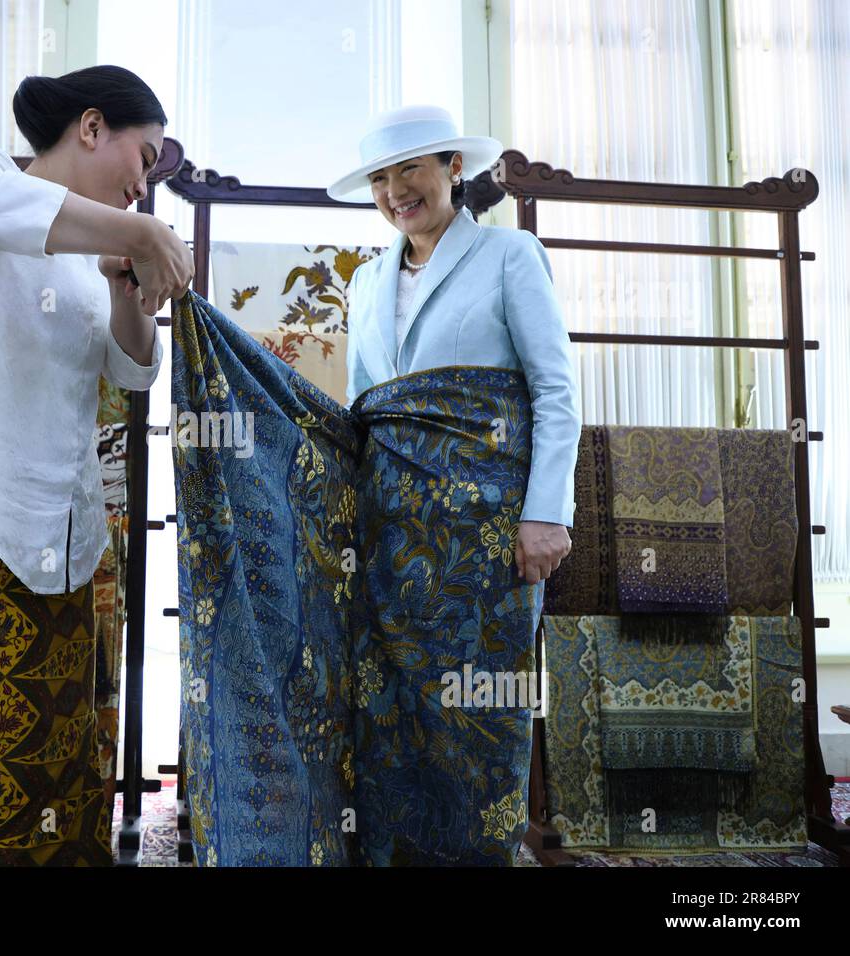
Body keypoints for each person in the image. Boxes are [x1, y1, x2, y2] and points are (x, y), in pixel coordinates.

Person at [0, 65, 193, 866]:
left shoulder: (93, 248)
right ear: (91, 128)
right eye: (145, 156)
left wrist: (126, 292)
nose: (145, 182)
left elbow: (132, 373)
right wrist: (134, 235)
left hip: (60, 550)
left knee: (68, 781)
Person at [329, 103, 582, 865]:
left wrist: (546, 514)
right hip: (390, 532)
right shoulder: (365, 280)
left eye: (411, 168)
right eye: (380, 176)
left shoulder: (511, 255)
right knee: (391, 707)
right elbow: (364, 410)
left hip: (491, 533)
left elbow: (554, 390)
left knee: (481, 708)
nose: (395, 190)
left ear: (454, 171)